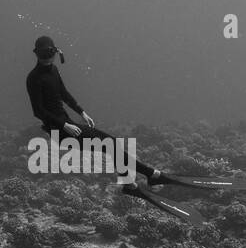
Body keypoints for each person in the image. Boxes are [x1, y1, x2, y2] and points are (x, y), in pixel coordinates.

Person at [25, 35, 163, 187]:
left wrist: (82, 113)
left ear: (56, 52)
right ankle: (149, 176)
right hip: (60, 131)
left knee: (111, 145)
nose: (46, 58)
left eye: (49, 53)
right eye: (42, 54)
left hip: (67, 126)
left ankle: (130, 182)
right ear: (36, 54)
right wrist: (64, 125)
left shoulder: (54, 70)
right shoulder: (33, 78)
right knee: (111, 144)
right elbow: (38, 111)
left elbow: (64, 94)